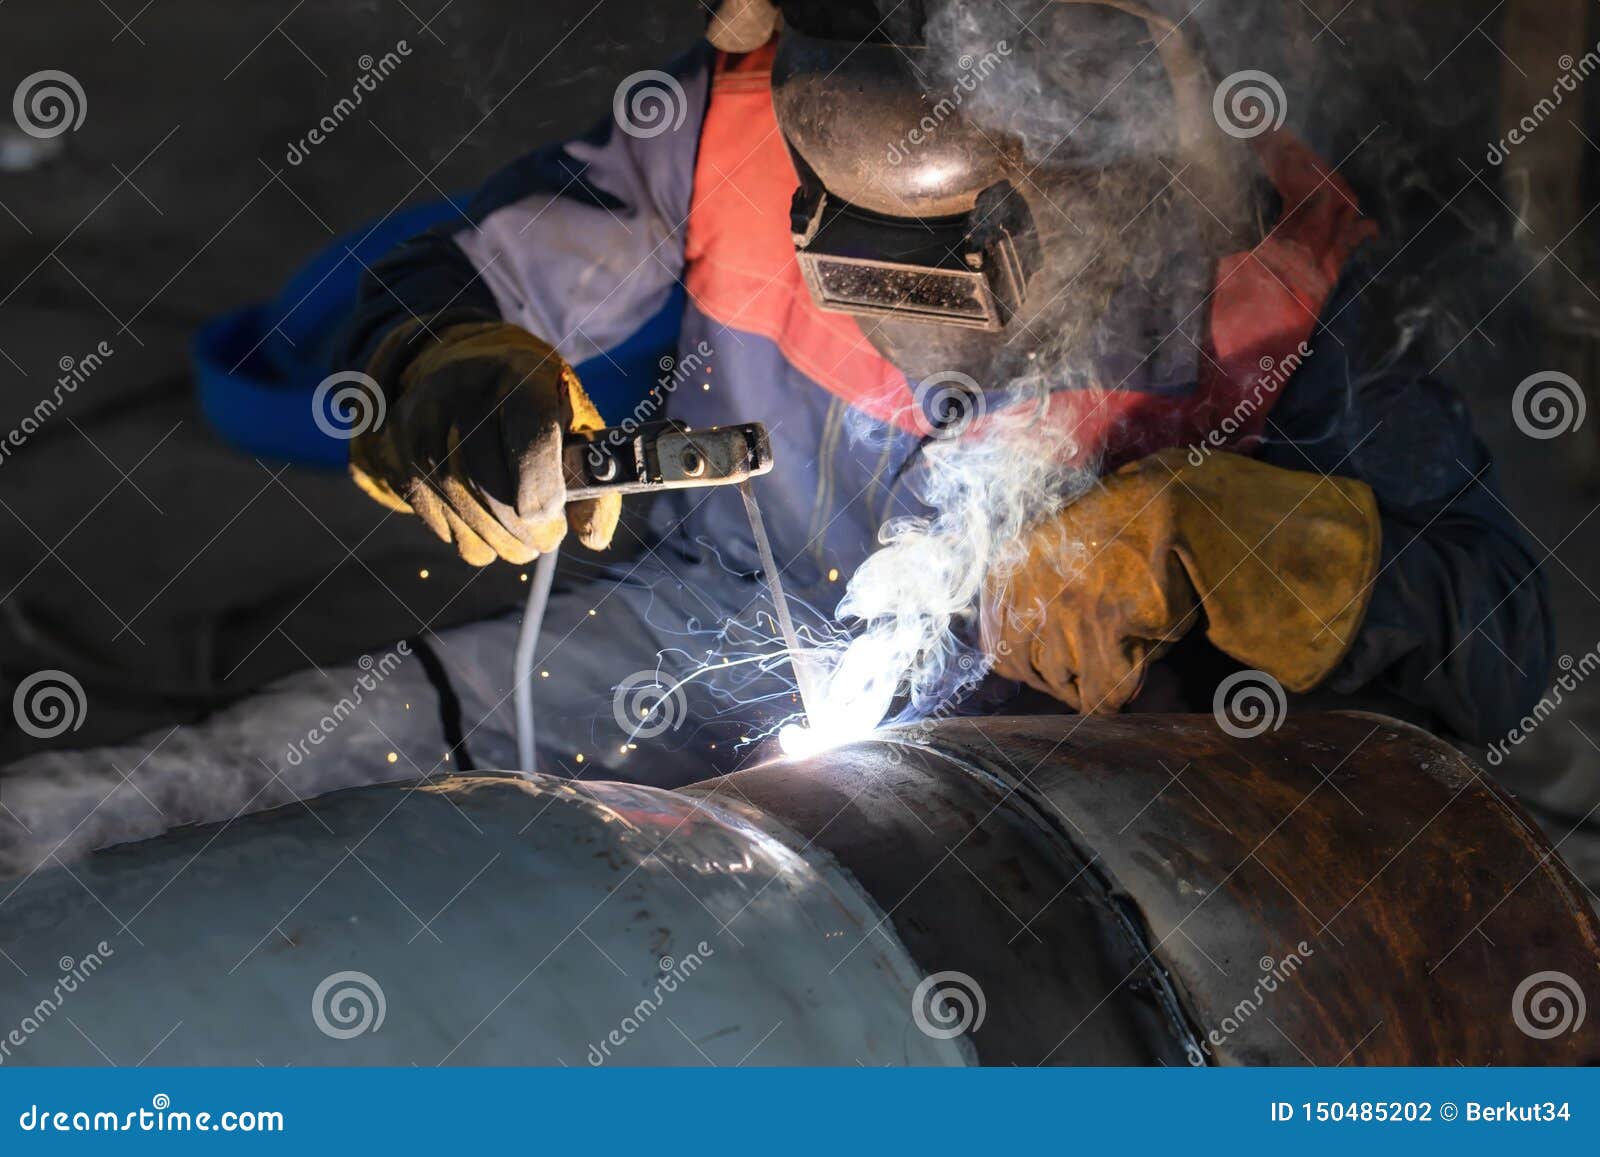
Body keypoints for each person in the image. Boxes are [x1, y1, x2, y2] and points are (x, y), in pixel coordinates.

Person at [0, 0, 1551, 874]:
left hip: (1086, 776)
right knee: (226, 799)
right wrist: (445, 366)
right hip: (702, 641)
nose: (877, 303)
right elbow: (429, 282)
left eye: (945, 257)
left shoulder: (1270, 270)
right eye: (838, 231)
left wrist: (1254, 553)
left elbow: (1497, 634)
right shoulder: (715, 133)